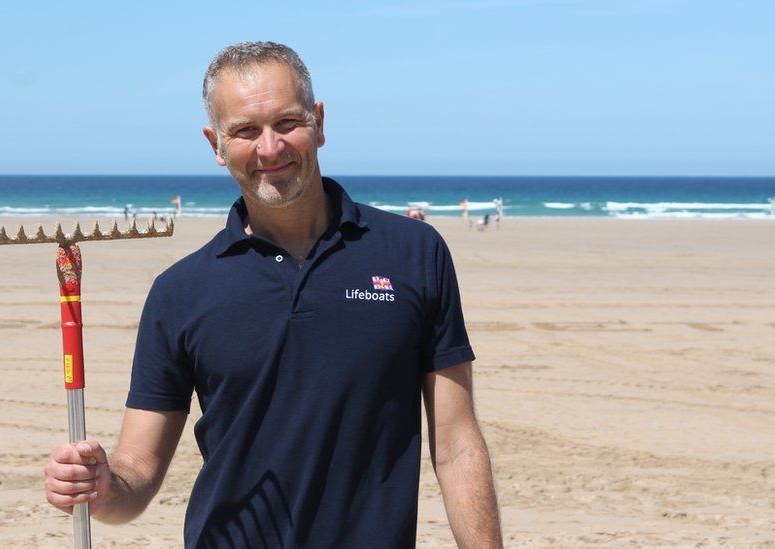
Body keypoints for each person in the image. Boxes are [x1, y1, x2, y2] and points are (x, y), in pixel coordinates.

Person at [44, 41, 501, 548]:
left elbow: (456, 443)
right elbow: (139, 470)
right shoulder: (180, 292)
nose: (270, 148)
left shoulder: (414, 254)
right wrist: (103, 487)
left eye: (287, 122)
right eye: (244, 131)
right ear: (215, 145)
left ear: (319, 122)